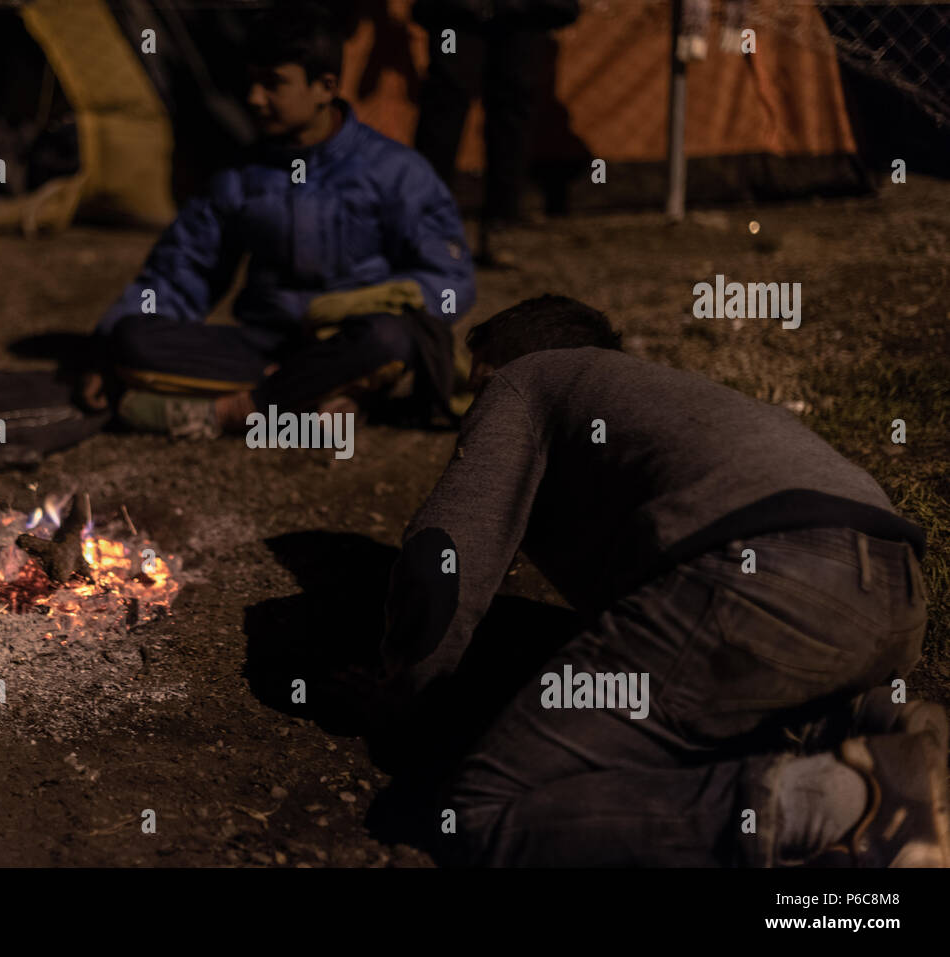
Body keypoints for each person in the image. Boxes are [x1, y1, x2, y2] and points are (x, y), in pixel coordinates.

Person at [378, 294, 949, 867]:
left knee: (485, 806)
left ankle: (835, 806)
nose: (471, 413)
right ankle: (879, 723)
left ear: (512, 360)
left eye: (478, 389)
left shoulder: (525, 378)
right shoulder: (663, 398)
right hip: (893, 589)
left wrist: (411, 706)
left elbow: (440, 559)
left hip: (767, 573)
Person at [80, 4, 476, 437]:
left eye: (273, 84)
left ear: (324, 87)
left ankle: (238, 412)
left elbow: (450, 281)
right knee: (133, 339)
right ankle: (317, 398)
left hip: (351, 342)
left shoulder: (396, 171)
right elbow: (180, 272)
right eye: (251, 81)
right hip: (264, 346)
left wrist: (367, 305)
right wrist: (104, 351)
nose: (253, 98)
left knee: (392, 338)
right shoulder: (240, 176)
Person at [412, 0, 579, 268]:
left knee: (514, 110)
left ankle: (503, 222)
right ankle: (423, 228)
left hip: (526, 14)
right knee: (444, 107)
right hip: (455, 13)